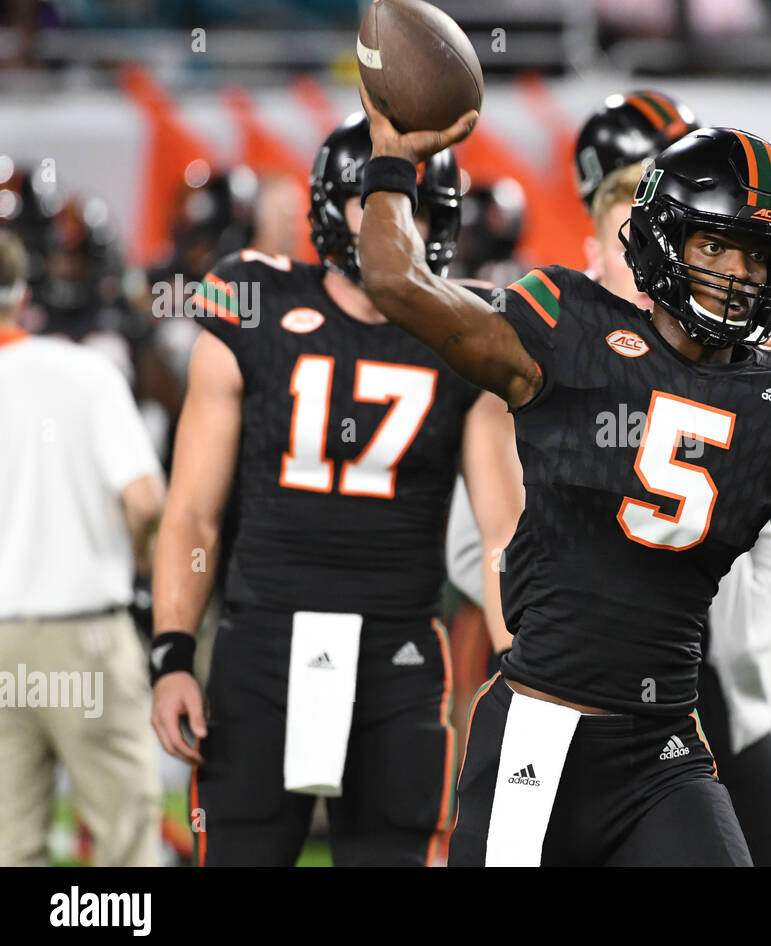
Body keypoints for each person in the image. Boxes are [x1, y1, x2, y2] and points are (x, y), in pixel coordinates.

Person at [358, 91, 771, 867]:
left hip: (663, 749)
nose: (740, 274)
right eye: (717, 246)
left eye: (759, 255)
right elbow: (396, 282)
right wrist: (395, 159)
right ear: (667, 240)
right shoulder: (569, 324)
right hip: (540, 727)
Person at [148, 114, 522, 867]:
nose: (395, 223)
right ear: (331, 209)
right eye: (374, 201)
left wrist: (523, 668)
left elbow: (503, 528)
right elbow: (192, 511)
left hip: (401, 650)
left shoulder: (469, 330)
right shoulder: (252, 304)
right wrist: (173, 653)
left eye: (413, 206)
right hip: (263, 642)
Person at [0, 227, 166, 865]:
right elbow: (147, 500)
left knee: (13, 846)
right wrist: (145, 564)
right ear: (21, 294)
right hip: (84, 639)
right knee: (125, 841)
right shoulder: (82, 372)